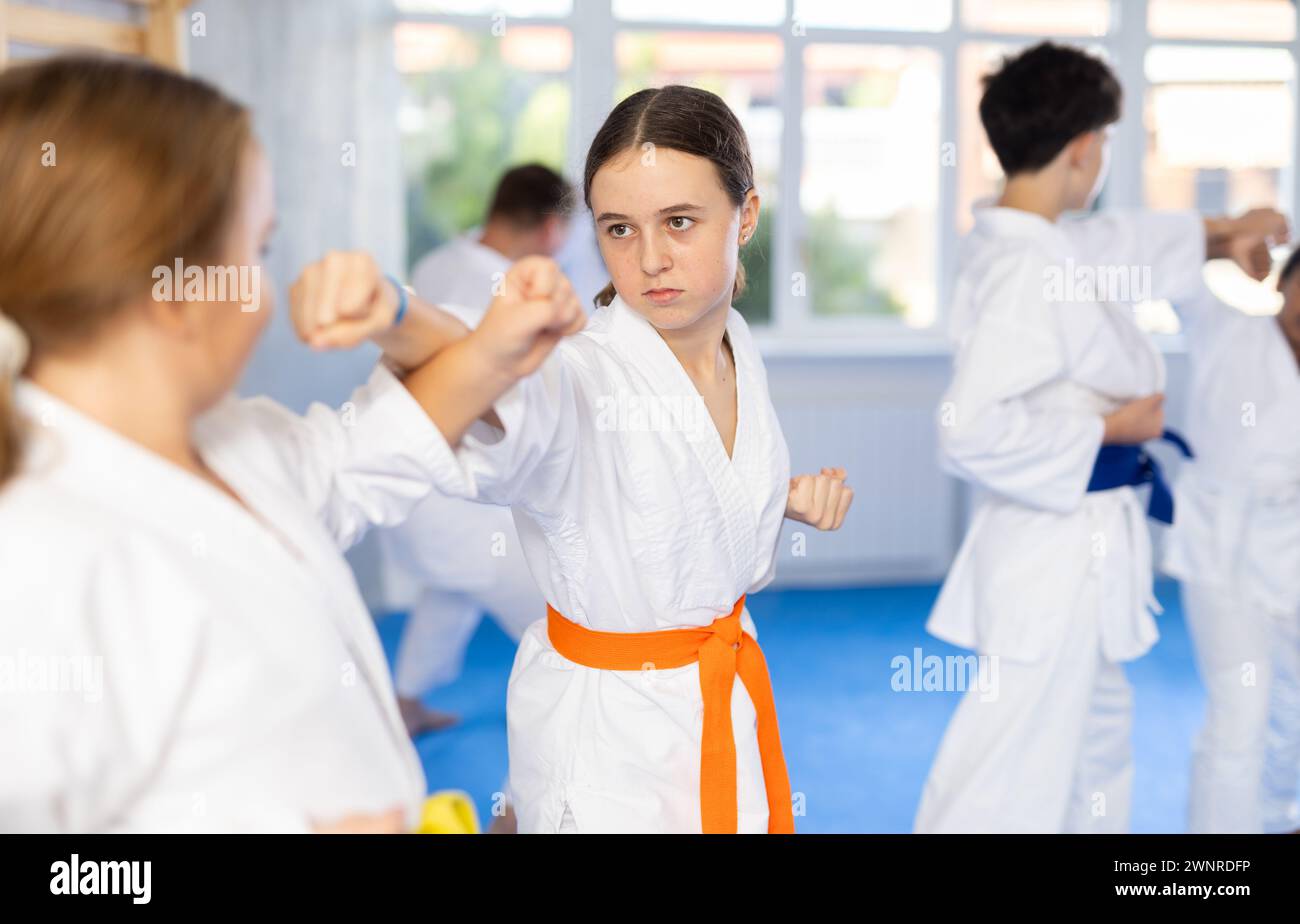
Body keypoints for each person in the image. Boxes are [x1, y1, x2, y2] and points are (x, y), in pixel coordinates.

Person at [0, 55, 584, 833]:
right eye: (258, 252)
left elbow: (417, 413)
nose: (266, 290)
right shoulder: (38, 559)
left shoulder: (240, 447)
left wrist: (396, 309)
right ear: (178, 292)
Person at [314, 86, 854, 833]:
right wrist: (396, 313)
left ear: (747, 215)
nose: (651, 259)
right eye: (619, 229)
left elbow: (693, 489)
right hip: (610, 746)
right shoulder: (589, 371)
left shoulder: (735, 344)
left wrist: (778, 496)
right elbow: (502, 373)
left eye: (680, 222)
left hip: (715, 701)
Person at [913, 41, 1283, 833]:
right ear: (1085, 150)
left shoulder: (1037, 241)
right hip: (1050, 555)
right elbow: (967, 431)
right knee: (1006, 763)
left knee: (1093, 748)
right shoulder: (1025, 266)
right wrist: (1110, 425)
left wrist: (1225, 232)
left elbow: (1123, 248)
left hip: (1078, 542)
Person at [386, 164, 573, 736]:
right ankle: (525, 803)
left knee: (451, 591)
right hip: (458, 495)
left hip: (418, 490)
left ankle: (404, 705)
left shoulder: (442, 260)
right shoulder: (504, 293)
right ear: (550, 229)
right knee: (564, 630)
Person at [1164, 234, 1299, 833]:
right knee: (1239, 714)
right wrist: (1222, 242)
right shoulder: (1227, 329)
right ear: (1282, 283)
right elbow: (1164, 267)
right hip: (1224, 550)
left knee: (1292, 717)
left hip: (1292, 552)